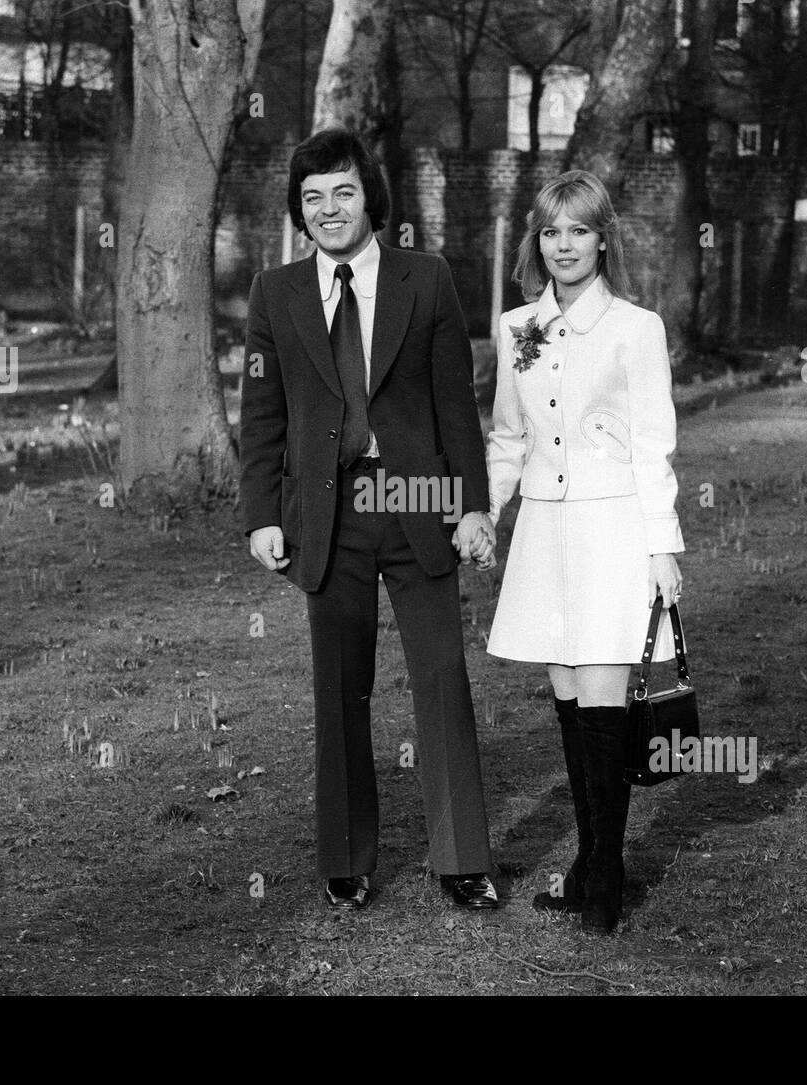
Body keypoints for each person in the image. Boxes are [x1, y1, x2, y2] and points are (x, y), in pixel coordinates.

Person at [239, 128, 500, 912]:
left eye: (342, 192)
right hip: (328, 512)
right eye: (312, 198)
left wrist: (474, 504)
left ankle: (462, 859)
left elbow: (457, 403)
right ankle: (346, 860)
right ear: (299, 210)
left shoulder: (427, 279)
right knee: (340, 687)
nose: (328, 210)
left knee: (442, 678)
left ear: (370, 198)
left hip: (418, 505)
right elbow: (263, 418)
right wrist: (261, 516)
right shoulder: (274, 293)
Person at [482, 170, 685, 935]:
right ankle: (596, 860)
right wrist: (488, 509)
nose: (564, 245)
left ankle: (603, 873)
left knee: (604, 699)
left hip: (613, 531)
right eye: (551, 232)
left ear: (604, 239)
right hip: (544, 530)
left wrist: (661, 544)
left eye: (579, 230)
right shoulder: (517, 328)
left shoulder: (638, 328)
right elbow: (508, 435)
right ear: (538, 241)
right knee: (569, 700)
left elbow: (653, 445)